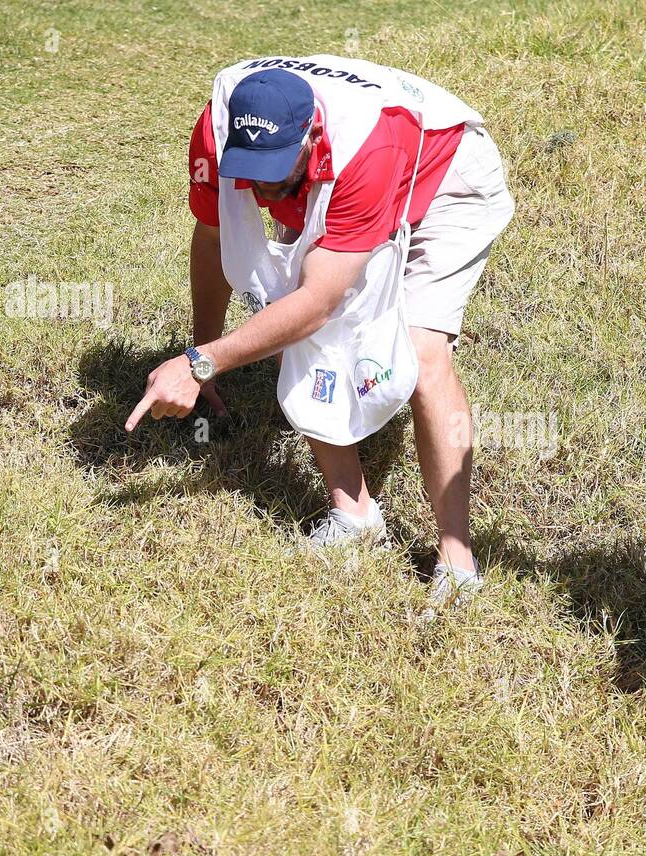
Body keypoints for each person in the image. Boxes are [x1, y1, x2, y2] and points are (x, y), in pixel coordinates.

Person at [126, 56, 514, 604]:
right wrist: (202, 353)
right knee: (284, 311)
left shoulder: (368, 147)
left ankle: (457, 561)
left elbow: (316, 305)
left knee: (421, 351)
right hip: (344, 169)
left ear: (311, 136)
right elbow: (213, 237)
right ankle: (355, 515)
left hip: (445, 174)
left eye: (275, 173)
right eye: (251, 171)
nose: (261, 189)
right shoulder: (217, 134)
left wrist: (200, 364)